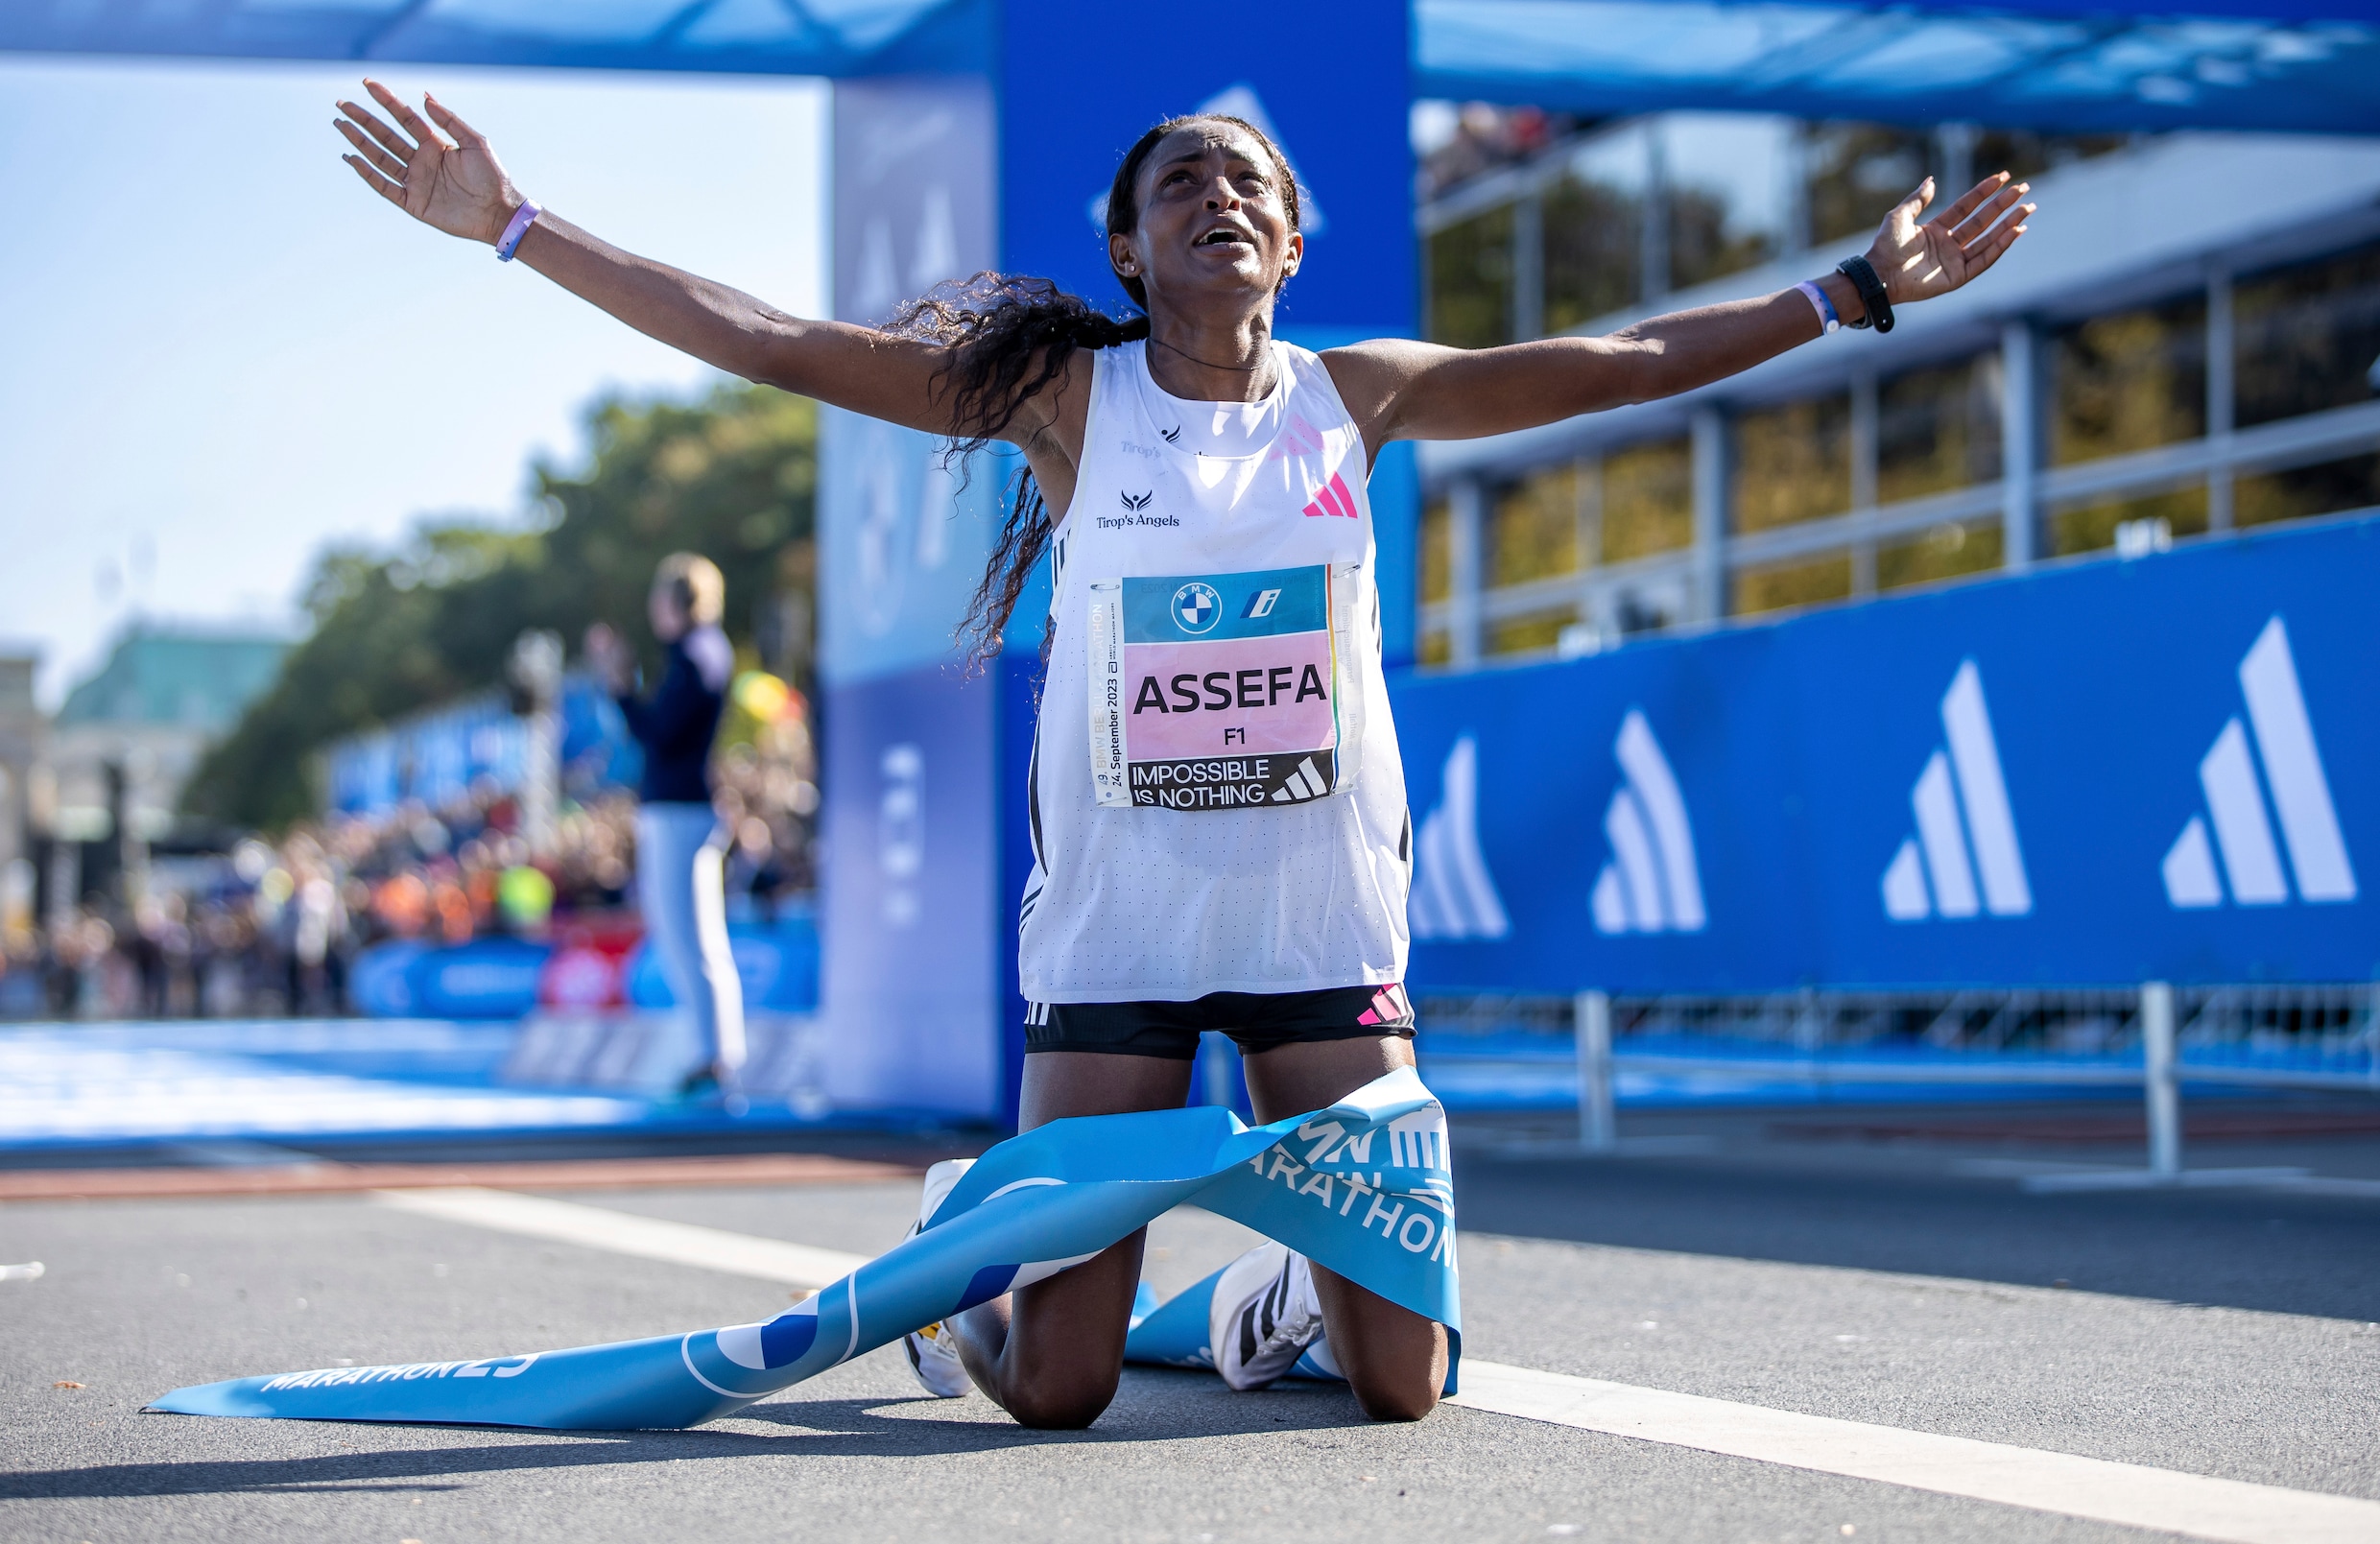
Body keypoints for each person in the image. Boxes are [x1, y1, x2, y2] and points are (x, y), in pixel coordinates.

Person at [334, 83, 2031, 1427]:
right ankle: (970, 1262)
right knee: (1057, 1385)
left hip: (1323, 942)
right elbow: (775, 339)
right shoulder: (1070, 404)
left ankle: (1267, 1297)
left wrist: (1857, 287)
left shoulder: (1355, 395)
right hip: (1122, 947)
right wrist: (517, 226)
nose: (1218, 198)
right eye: (1178, 190)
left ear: (1290, 242)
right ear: (1133, 255)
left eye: (1247, 185)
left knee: (1399, 1388)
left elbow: (1624, 359)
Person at [585, 554, 745, 1100]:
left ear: (679, 602)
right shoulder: (695, 654)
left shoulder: (698, 656)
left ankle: (715, 1055)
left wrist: (621, 686)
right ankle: (714, 1051)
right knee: (689, 937)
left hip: (681, 811)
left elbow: (658, 733)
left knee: (691, 937)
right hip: (678, 809)